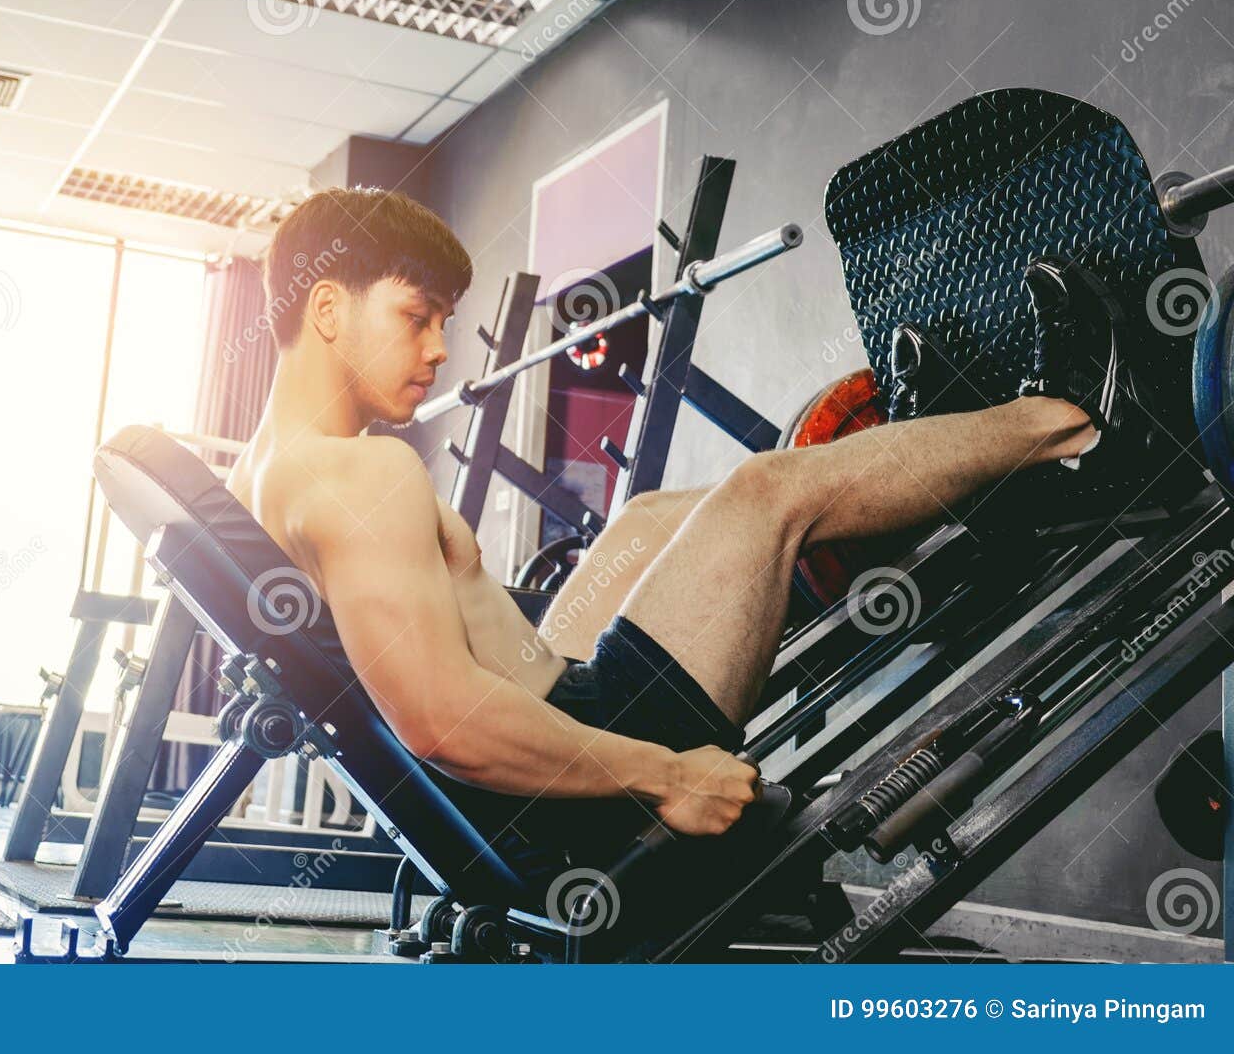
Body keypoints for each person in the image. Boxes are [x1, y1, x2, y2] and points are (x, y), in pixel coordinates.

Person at [223, 187, 1122, 871]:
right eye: (416, 318)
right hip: (573, 785)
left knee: (650, 520)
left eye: (443, 324)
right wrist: (668, 774)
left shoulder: (261, 473)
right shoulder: (361, 472)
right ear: (329, 310)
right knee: (768, 491)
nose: (438, 351)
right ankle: (1075, 416)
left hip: (542, 723)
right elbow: (442, 724)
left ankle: (928, 469)